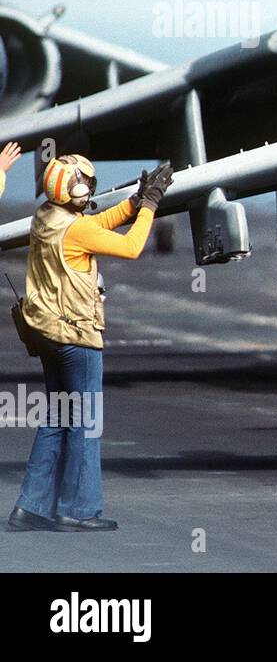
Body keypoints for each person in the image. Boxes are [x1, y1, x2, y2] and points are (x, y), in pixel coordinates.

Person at [7, 156, 172, 532]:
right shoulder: (74, 230)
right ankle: (77, 510)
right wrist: (150, 206)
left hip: (47, 335)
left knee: (56, 418)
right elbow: (131, 247)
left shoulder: (45, 217)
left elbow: (93, 224)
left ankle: (30, 508)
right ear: (75, 188)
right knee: (84, 423)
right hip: (77, 337)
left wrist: (133, 203)